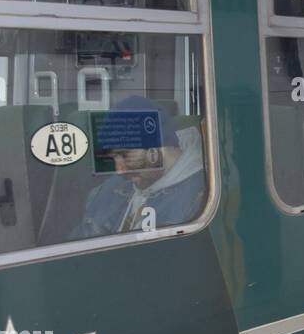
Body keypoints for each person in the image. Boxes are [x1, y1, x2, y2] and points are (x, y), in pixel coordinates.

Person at [71, 96, 206, 238]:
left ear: (155, 152)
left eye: (125, 157)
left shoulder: (200, 202)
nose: (119, 170)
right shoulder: (110, 189)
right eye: (114, 158)